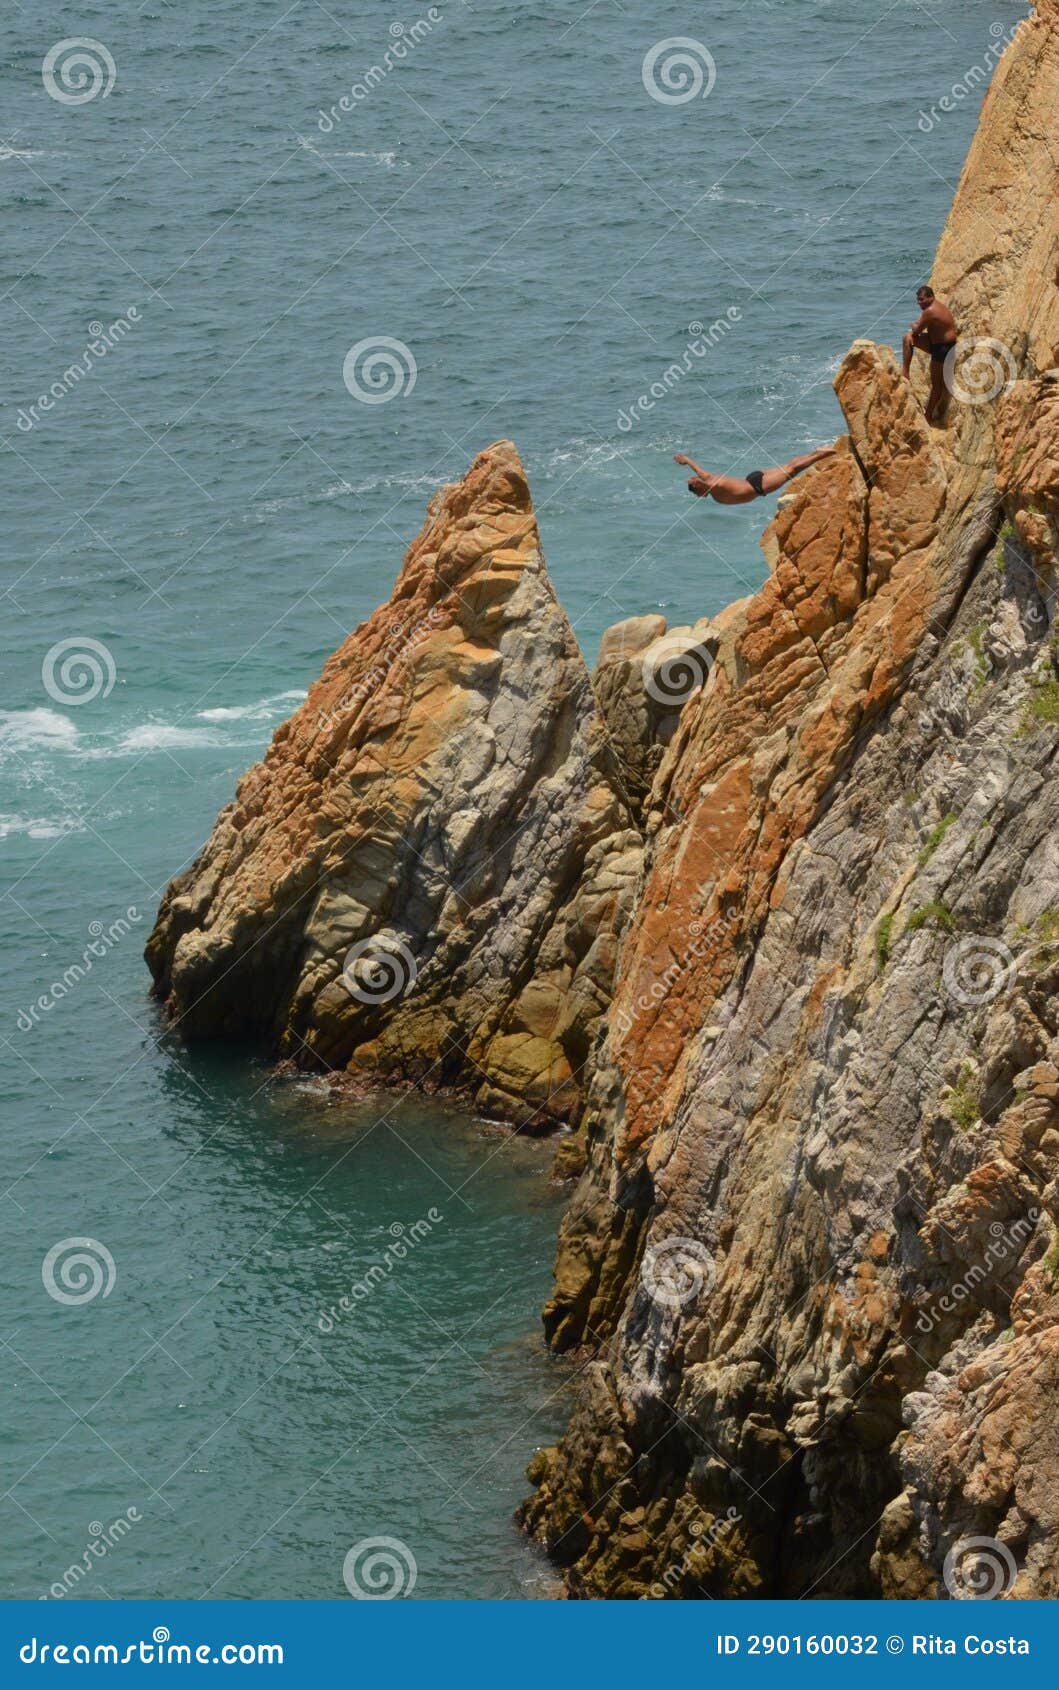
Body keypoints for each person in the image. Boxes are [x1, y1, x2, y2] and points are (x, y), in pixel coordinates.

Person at [673, 444, 836, 506]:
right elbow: (701, 474)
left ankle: (819, 455)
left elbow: (706, 483)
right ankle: (815, 453)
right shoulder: (711, 484)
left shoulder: (716, 493)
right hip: (752, 479)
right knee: (789, 466)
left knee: (791, 470)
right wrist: (687, 460)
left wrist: (690, 467)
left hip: (758, 487)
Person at [902, 285, 958, 423]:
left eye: (922, 300)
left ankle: (928, 415)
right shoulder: (932, 308)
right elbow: (918, 331)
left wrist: (914, 325)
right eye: (918, 300)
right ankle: (905, 372)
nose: (919, 303)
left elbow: (917, 330)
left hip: (943, 348)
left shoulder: (930, 311)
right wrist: (916, 327)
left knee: (936, 385)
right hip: (936, 343)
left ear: (931, 297)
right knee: (907, 338)